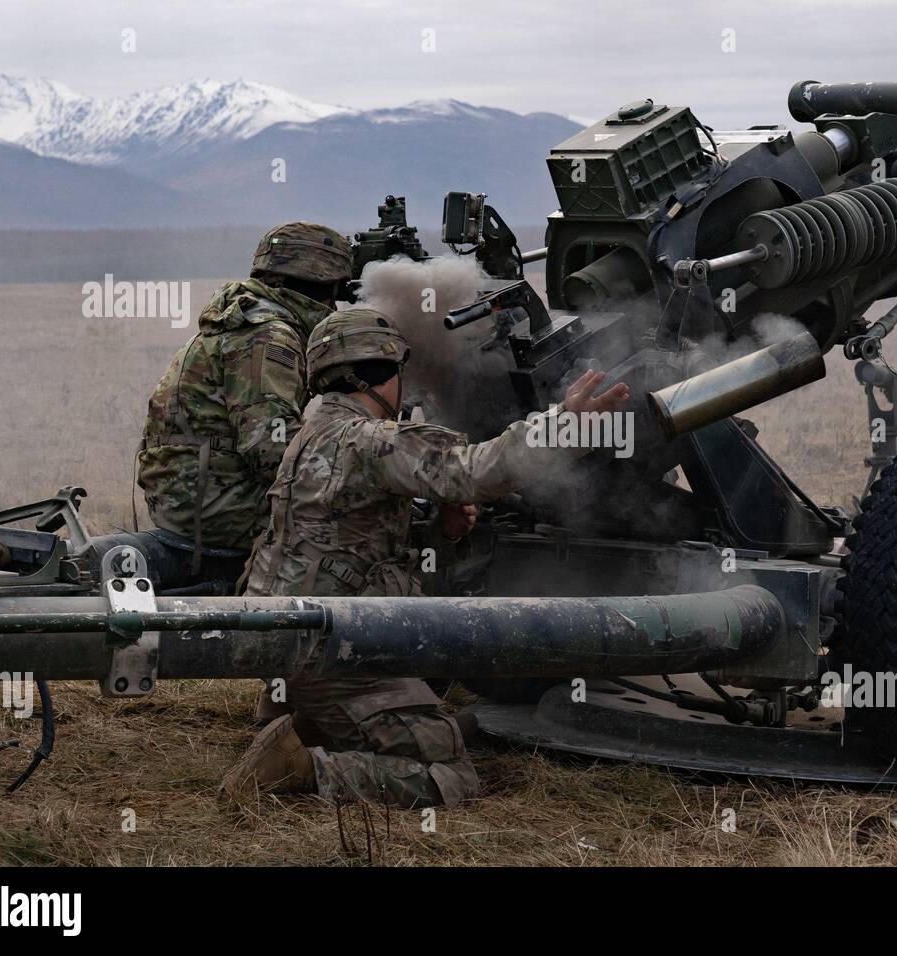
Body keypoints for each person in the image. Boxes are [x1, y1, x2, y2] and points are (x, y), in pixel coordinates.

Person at [221, 307, 630, 808]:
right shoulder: (370, 440)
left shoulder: (308, 436)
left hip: (286, 638)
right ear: (375, 375)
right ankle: (300, 767)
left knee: (430, 703)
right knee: (451, 774)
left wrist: (443, 529)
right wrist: (565, 425)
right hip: (339, 650)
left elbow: (345, 534)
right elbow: (477, 470)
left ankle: (305, 719)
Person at [136, 222, 353, 578]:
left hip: (189, 497)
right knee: (362, 531)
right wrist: (356, 477)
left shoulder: (243, 318)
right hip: (219, 508)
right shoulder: (269, 336)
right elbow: (273, 450)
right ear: (322, 286)